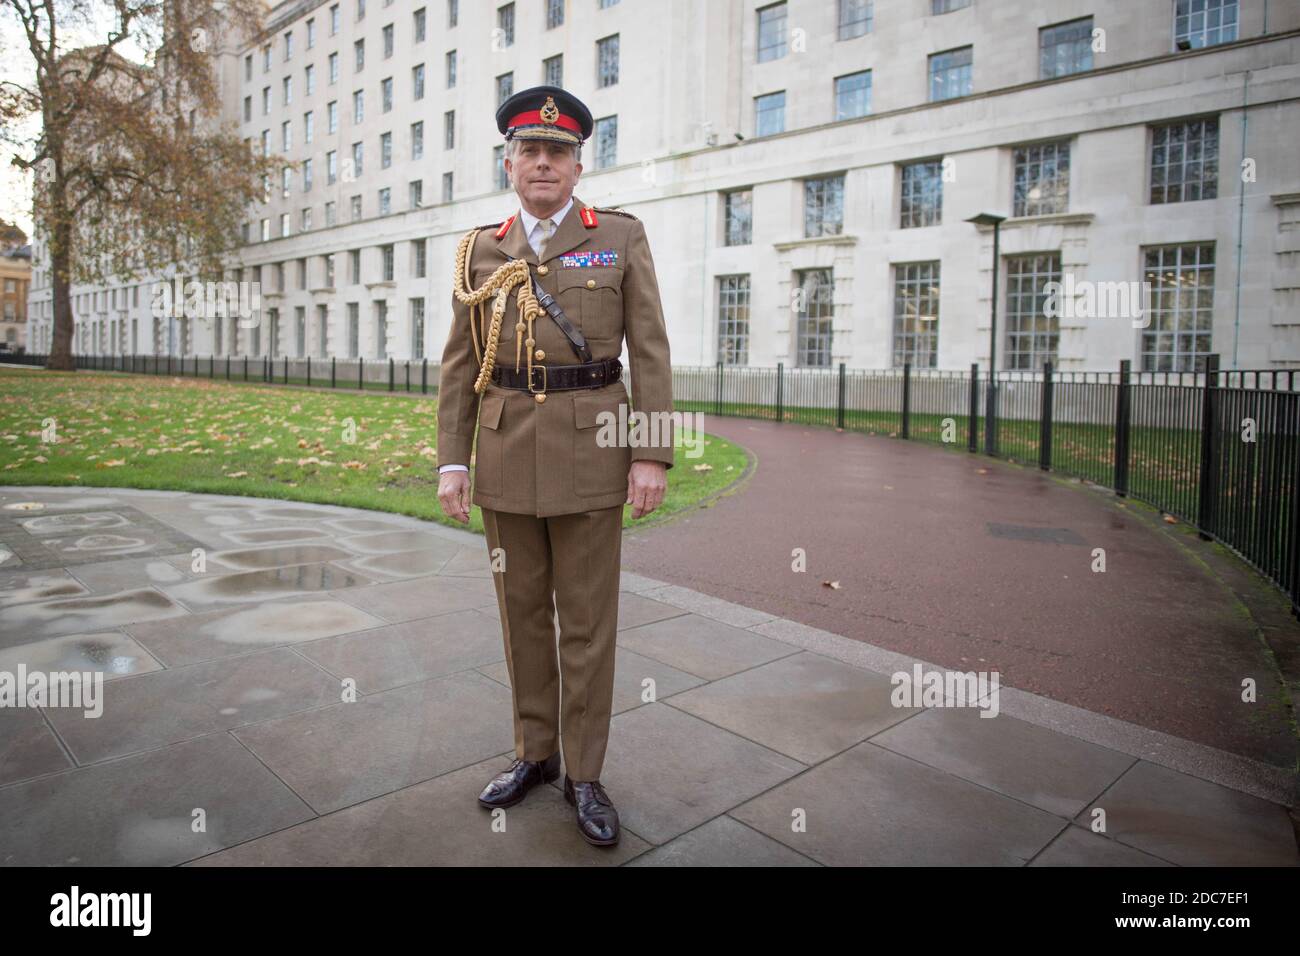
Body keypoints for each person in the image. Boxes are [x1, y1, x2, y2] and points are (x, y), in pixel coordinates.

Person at [435, 85, 674, 847]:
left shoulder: (621, 237)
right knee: (522, 619)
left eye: (558, 153)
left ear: (577, 166)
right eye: (530, 152)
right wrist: (451, 461)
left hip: (595, 453)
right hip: (505, 453)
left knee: (589, 624)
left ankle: (585, 773)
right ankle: (535, 754)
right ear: (510, 163)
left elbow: (653, 353)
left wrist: (652, 453)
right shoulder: (481, 248)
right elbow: (458, 365)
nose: (543, 163)